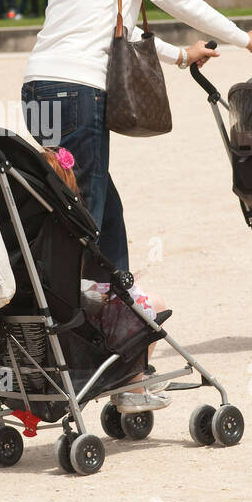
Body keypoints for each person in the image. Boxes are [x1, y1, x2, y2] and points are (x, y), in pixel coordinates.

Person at [21, 0, 252, 272]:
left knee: (88, 201)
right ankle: (72, 315)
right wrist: (245, 40)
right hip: (78, 94)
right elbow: (183, 2)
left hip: (39, 90)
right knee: (83, 215)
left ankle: (120, 299)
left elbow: (121, 34)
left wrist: (181, 56)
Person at [41, 146, 170, 413]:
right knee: (152, 304)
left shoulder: (22, 238)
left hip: (38, 325)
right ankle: (132, 385)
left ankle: (133, 378)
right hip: (73, 317)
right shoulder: (67, 233)